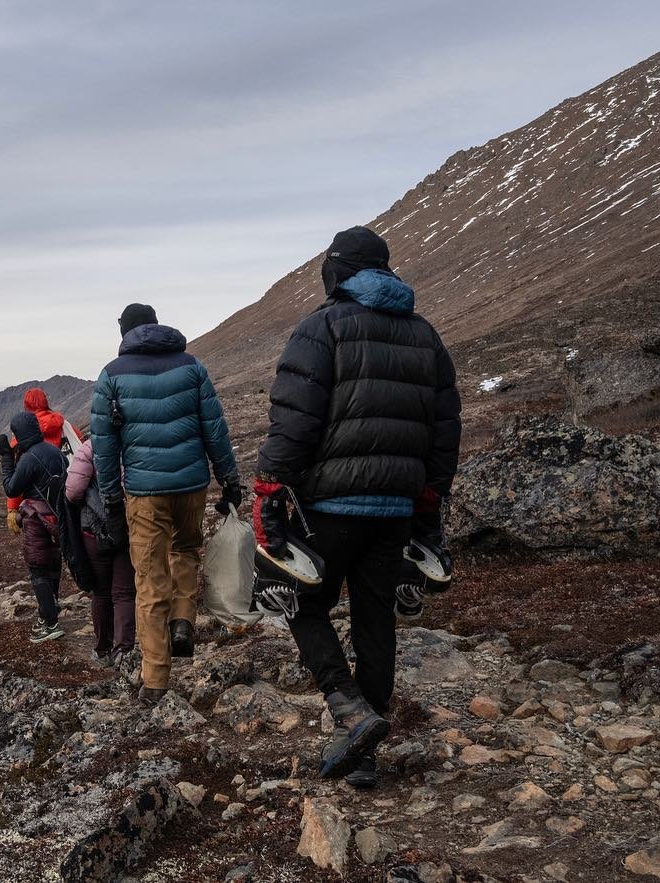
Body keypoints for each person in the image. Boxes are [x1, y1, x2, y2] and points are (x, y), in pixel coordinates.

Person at [254, 226, 461, 787]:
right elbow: (444, 430)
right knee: (375, 619)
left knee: (298, 601)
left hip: (330, 504)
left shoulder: (321, 328)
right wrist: (427, 502)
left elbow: (295, 422)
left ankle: (350, 710)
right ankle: (365, 756)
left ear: (337, 273)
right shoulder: (426, 336)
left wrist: (270, 486)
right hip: (395, 507)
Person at [90, 303, 240, 705]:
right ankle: (183, 622)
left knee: (149, 577)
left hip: (144, 493)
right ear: (156, 326)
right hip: (192, 484)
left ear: (124, 332)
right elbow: (215, 428)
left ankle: (155, 679)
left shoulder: (112, 376)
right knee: (186, 550)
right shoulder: (191, 366)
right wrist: (230, 479)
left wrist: (110, 500)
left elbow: (104, 449)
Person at [66, 436, 136, 667]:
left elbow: (73, 492)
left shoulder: (89, 447)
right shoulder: (133, 441)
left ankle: (103, 649)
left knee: (101, 592)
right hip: (127, 529)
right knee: (125, 593)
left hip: (94, 531)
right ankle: (124, 651)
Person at [0, 411, 69, 643]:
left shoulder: (29, 458)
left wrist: (6, 459)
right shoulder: (54, 451)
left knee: (38, 569)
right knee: (52, 566)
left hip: (37, 520)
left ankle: (50, 623)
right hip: (58, 519)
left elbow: (11, 488)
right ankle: (49, 612)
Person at [4, 387, 83, 535]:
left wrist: (12, 509)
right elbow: (83, 451)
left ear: (26, 407)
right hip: (71, 495)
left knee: (40, 549)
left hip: (36, 507)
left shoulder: (20, 438)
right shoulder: (66, 426)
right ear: (46, 402)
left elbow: (18, 476)